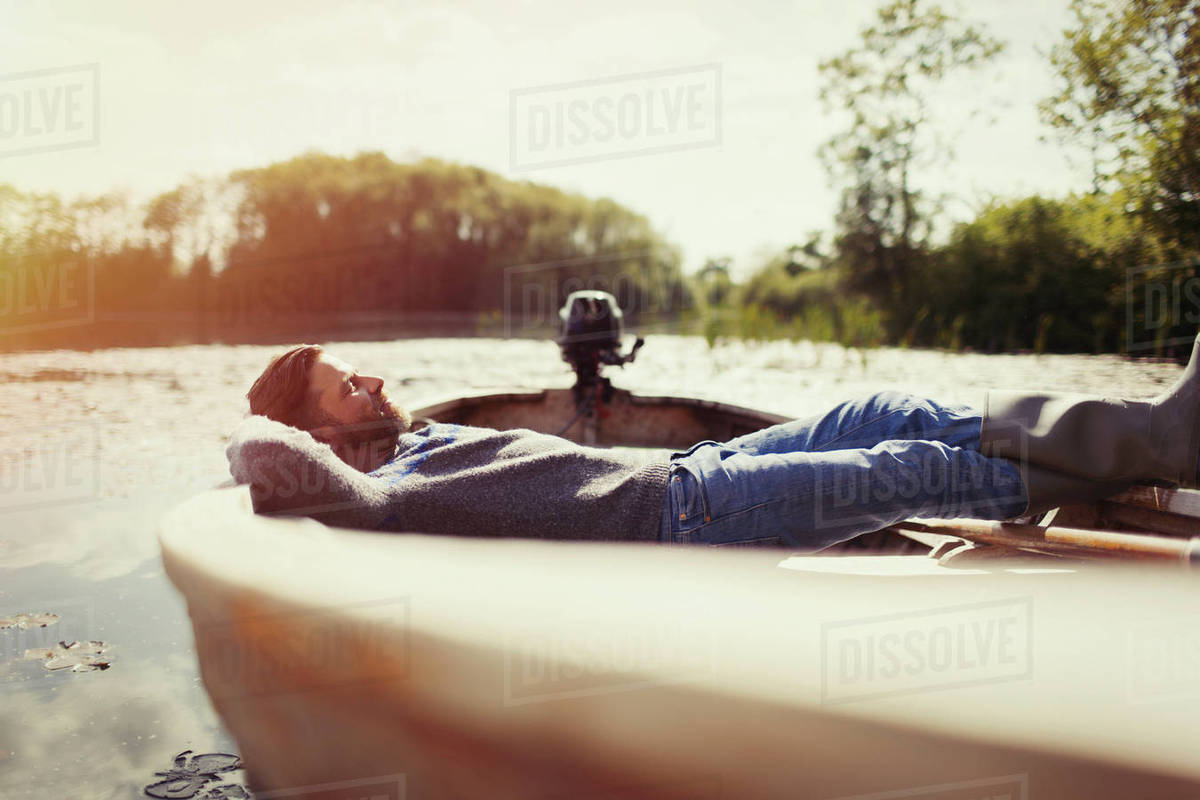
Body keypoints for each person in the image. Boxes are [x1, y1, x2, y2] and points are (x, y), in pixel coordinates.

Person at [226, 338, 1200, 550]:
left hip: (699, 467)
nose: (380, 379)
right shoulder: (385, 492)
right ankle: (1141, 459)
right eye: (351, 385)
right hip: (686, 512)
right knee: (912, 471)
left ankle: (1153, 432)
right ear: (318, 429)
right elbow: (269, 459)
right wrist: (259, 431)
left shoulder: (422, 441)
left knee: (877, 409)